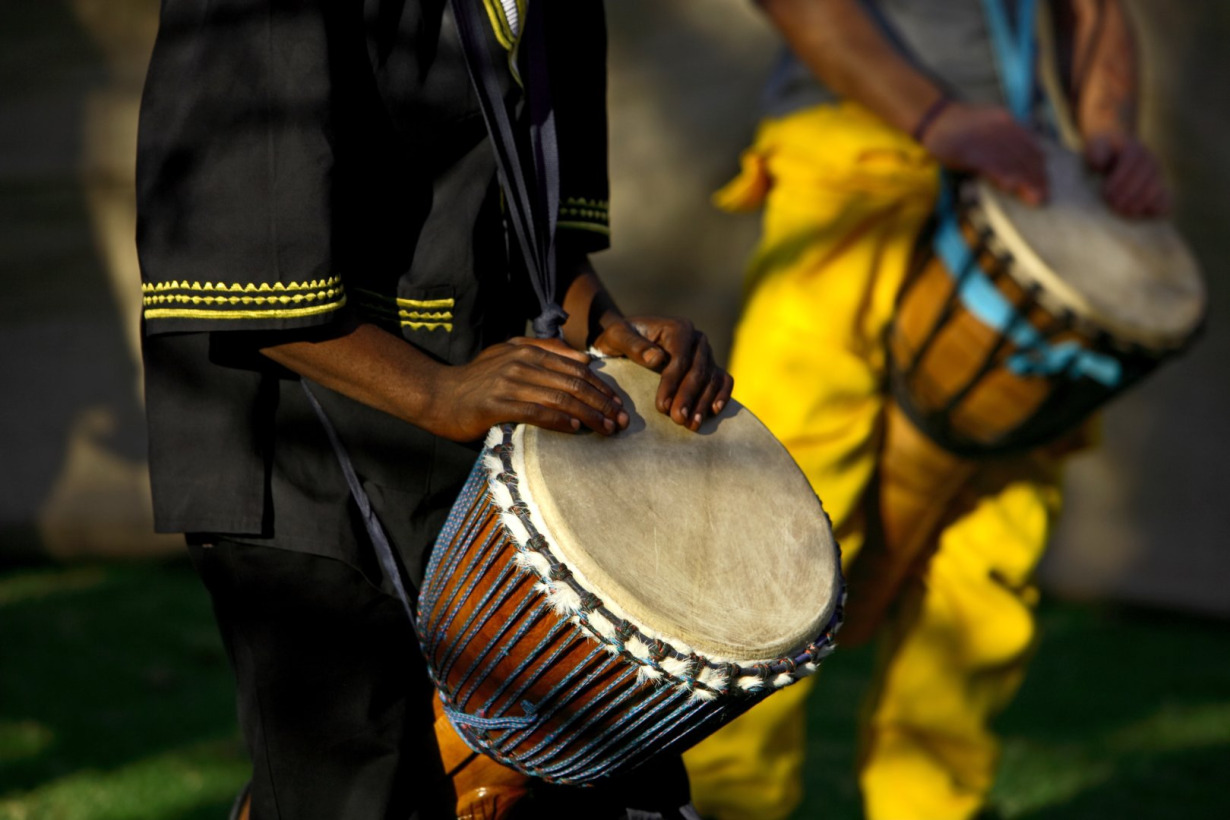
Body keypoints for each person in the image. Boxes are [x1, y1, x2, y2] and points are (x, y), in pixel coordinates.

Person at [135, 1, 731, 818]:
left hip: (476, 437)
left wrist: (613, 333)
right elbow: (238, 269)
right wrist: (437, 392)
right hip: (300, 443)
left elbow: (534, 232)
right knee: (360, 784)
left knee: (595, 786)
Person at [681, 1, 1169, 819]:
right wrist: (934, 116)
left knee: (991, 546)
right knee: (779, 527)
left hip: (1027, 187)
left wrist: (1109, 127)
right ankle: (727, 804)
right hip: (850, 156)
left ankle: (933, 804)